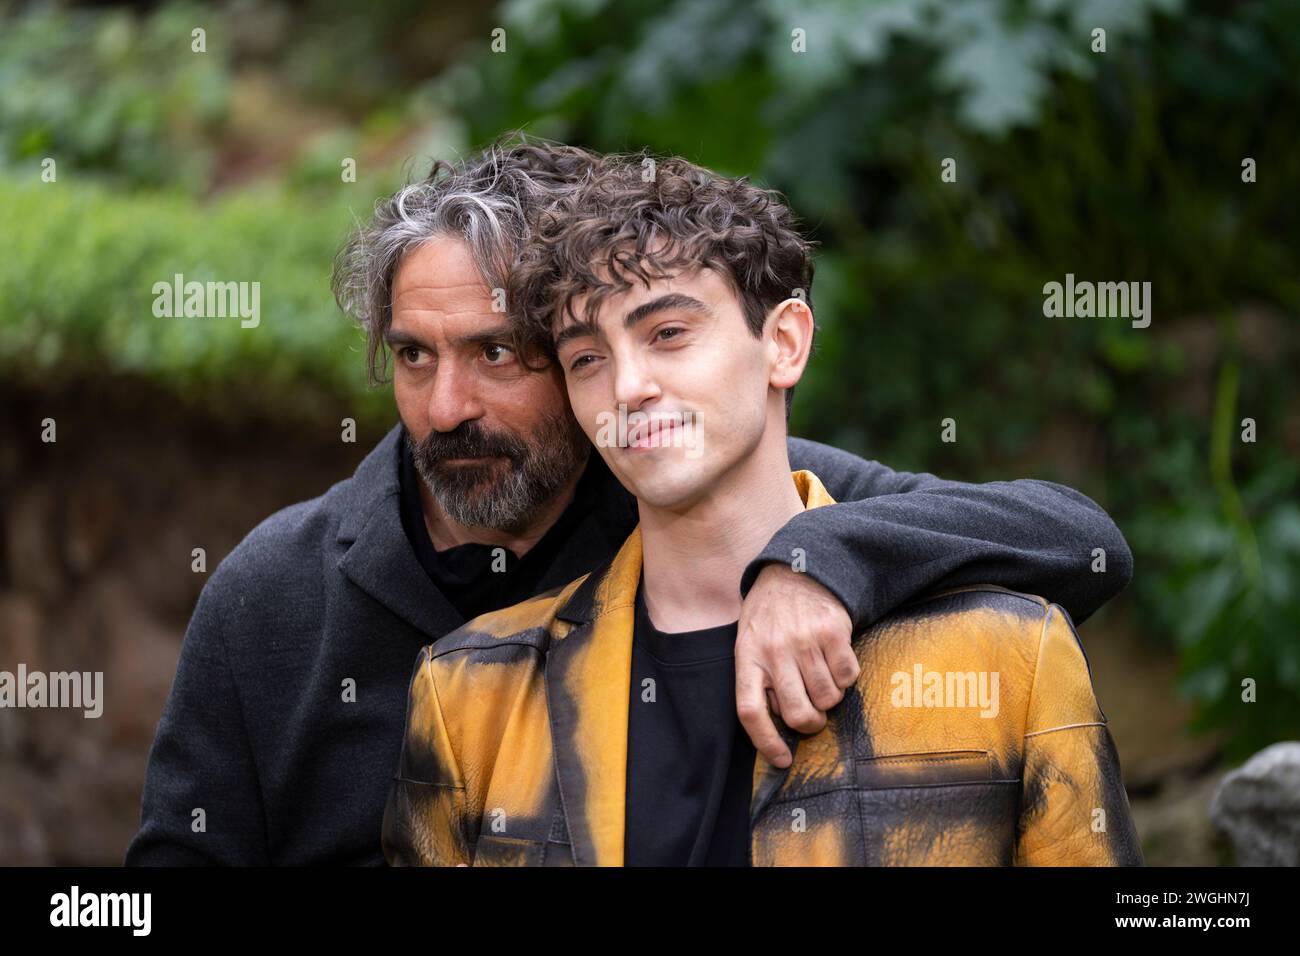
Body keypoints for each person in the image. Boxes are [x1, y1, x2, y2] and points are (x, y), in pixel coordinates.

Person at [128, 137, 1133, 866]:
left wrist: (818, 556)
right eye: (411, 355)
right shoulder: (272, 588)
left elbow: (1077, 537)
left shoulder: (676, 479)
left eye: (495, 353)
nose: (445, 405)